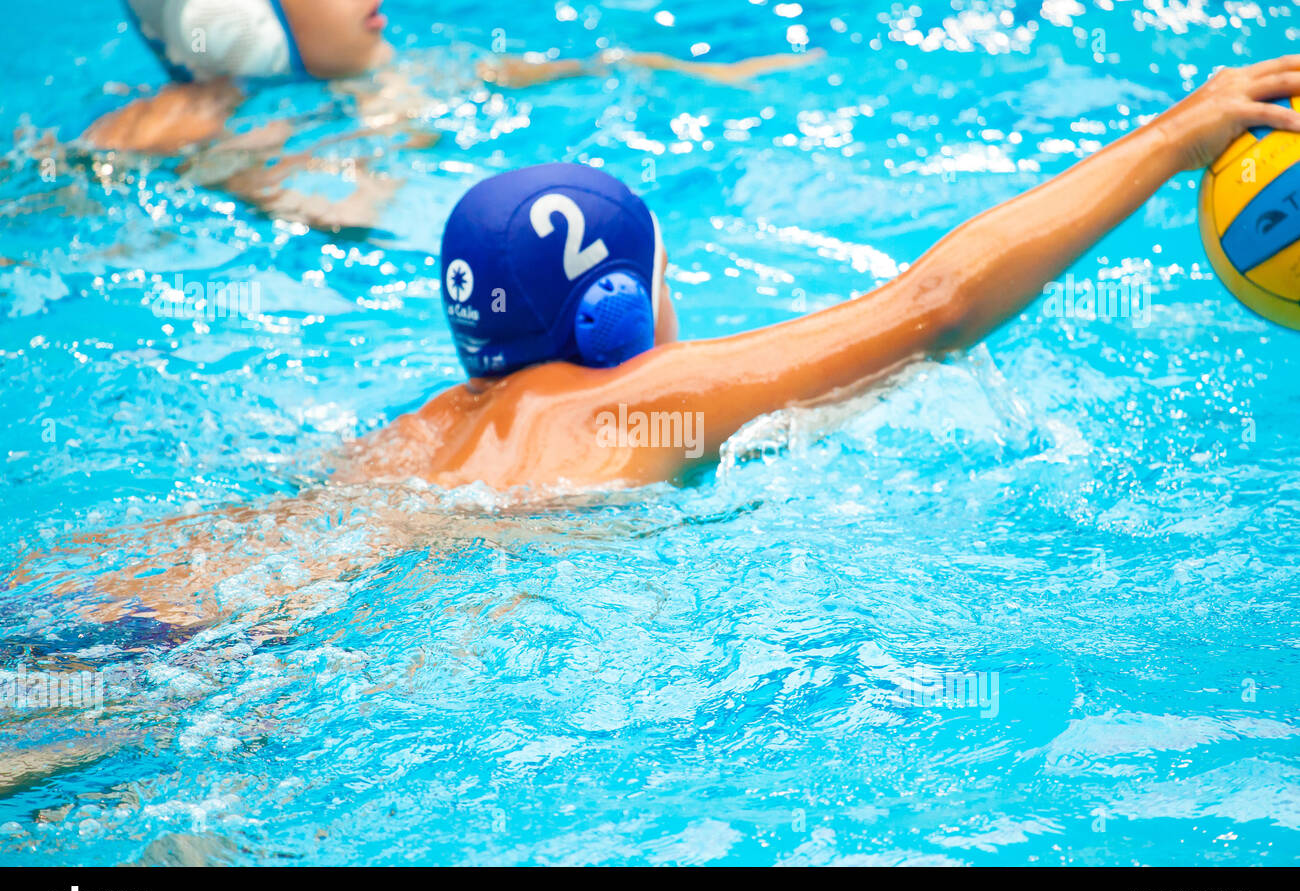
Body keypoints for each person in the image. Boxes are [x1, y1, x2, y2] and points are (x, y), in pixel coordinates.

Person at [342, 56, 1300, 492]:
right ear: (617, 311)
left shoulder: (421, 431)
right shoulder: (627, 402)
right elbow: (940, 307)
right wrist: (1177, 137)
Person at [77, 0, 820, 231]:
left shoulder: (423, 72)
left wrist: (712, 75)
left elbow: (586, 70)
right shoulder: (170, 123)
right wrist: (229, 169)